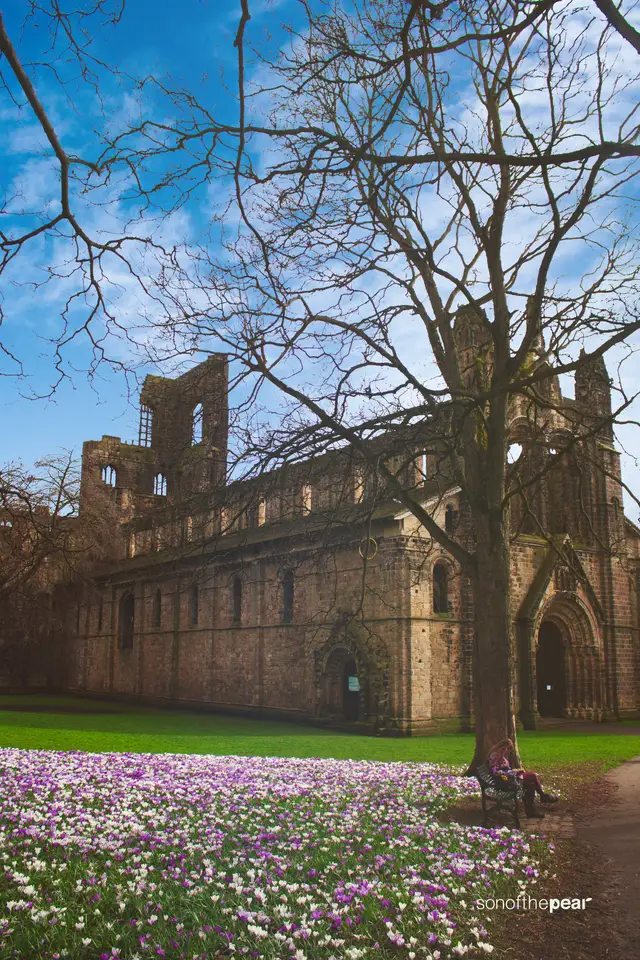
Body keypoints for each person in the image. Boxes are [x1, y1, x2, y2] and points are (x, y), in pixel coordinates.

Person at [487, 738, 559, 819]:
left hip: (510, 778)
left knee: (530, 785)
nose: (509, 751)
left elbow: (505, 768)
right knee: (532, 775)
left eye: (510, 749)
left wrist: (513, 771)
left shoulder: (502, 755)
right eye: (508, 749)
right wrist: (510, 772)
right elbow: (495, 772)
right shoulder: (495, 755)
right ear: (503, 747)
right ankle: (542, 796)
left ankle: (531, 811)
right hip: (505, 781)